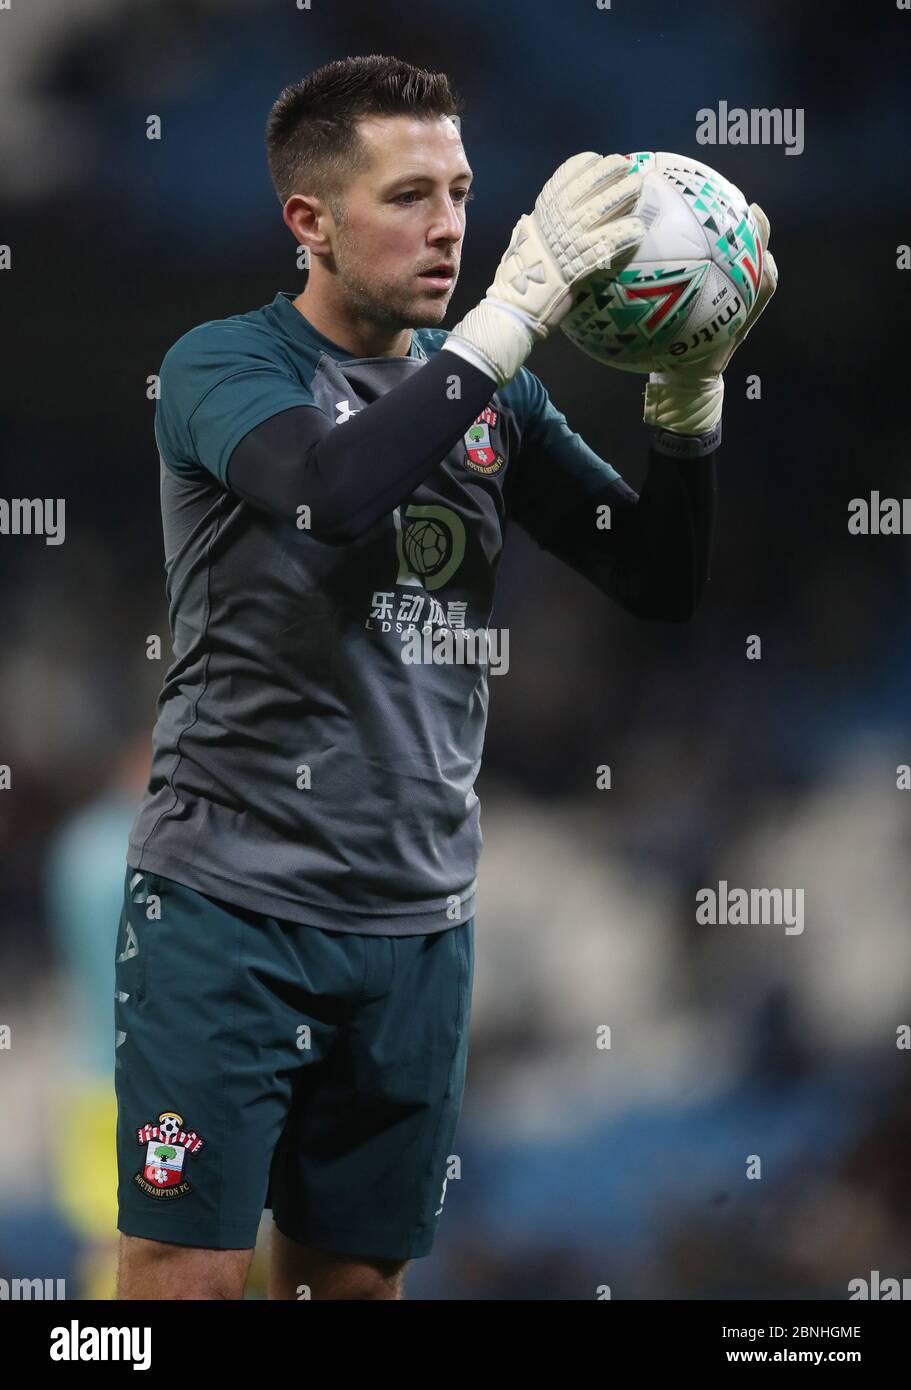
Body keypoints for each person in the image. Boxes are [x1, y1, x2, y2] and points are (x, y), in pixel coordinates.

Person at [115, 53, 777, 1300]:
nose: (453, 226)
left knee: (352, 1289)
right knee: (185, 1278)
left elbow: (657, 580)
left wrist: (687, 397)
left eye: (463, 191)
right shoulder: (221, 366)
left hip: (416, 923)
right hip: (228, 909)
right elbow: (332, 490)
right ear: (308, 221)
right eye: (409, 195)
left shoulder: (497, 394)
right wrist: (507, 314)